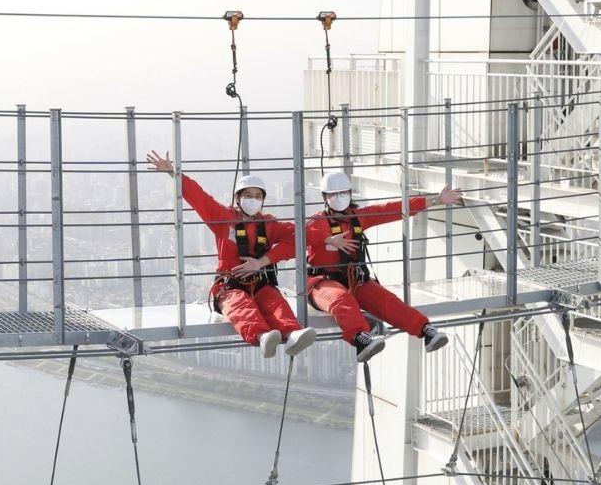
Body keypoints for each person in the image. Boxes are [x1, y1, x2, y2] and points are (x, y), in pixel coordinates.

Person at [146, 151, 315, 358]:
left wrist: (264, 261)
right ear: (238, 198)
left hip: (260, 283)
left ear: (263, 201)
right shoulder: (225, 219)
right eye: (248, 195)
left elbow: (300, 236)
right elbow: (200, 198)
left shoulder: (269, 225)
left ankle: (292, 333)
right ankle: (262, 336)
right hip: (229, 286)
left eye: (258, 196)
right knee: (240, 305)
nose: (253, 200)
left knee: (274, 301)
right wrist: (174, 173)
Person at [306, 171, 462, 362]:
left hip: (354, 280)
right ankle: (360, 338)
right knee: (341, 299)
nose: (339, 197)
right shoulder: (318, 221)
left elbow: (391, 209)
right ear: (325, 197)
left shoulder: (357, 218)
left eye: (343, 192)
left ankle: (425, 329)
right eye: (333, 194)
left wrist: (436, 200)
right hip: (322, 283)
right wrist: (329, 239)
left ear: (349, 193)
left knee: (386, 301)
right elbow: (301, 235)